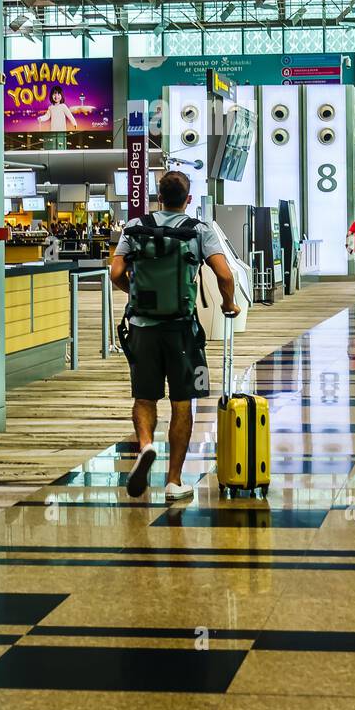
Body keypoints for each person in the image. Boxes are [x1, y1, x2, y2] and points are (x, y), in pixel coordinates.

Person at [110, 171, 239, 502]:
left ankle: (145, 446)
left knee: (144, 397)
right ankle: (174, 481)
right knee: (183, 402)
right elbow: (225, 274)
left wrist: (134, 294)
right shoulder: (197, 231)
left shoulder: (135, 228)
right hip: (182, 329)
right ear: (188, 199)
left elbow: (116, 273)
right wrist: (229, 304)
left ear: (158, 197)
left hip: (141, 328)